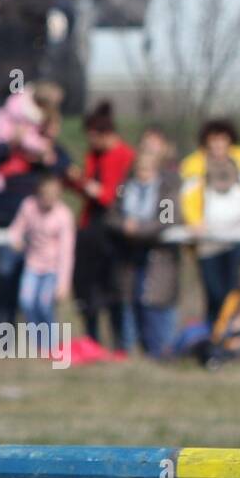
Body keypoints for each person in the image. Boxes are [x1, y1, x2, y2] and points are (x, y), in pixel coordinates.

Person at [0, 92, 70, 329]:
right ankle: (3, 339)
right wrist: (11, 145)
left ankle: (41, 340)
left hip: (41, 232)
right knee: (4, 281)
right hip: (8, 222)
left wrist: (46, 156)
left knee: (35, 291)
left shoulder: (49, 148)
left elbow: (66, 170)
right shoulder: (12, 142)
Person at [180, 120, 240, 325]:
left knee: (237, 289)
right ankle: (215, 336)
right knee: (214, 291)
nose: (218, 144)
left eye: (222, 139)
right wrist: (193, 222)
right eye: (213, 140)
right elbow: (178, 201)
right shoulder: (194, 166)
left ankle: (235, 336)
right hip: (208, 239)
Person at [67, 102, 136, 350]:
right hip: (90, 228)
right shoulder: (93, 156)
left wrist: (88, 185)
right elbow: (89, 193)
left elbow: (109, 195)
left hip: (112, 232)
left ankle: (121, 345)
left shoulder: (124, 155)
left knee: (114, 290)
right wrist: (75, 181)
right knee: (87, 289)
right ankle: (92, 342)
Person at [108, 150, 180, 358]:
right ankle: (130, 349)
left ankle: (160, 350)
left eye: (147, 169)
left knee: (155, 303)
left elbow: (165, 220)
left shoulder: (165, 190)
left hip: (158, 256)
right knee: (130, 301)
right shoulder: (124, 189)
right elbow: (112, 216)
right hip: (129, 255)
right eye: (139, 169)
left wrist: (139, 229)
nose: (143, 173)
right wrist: (124, 226)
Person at [7, 172, 75, 333]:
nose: (49, 198)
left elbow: (67, 252)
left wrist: (63, 283)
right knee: (26, 302)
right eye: (46, 194)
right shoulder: (28, 206)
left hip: (53, 268)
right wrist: (15, 240)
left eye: (53, 195)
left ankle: (49, 341)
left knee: (44, 305)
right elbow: (15, 229)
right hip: (32, 263)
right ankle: (37, 340)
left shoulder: (63, 215)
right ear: (38, 192)